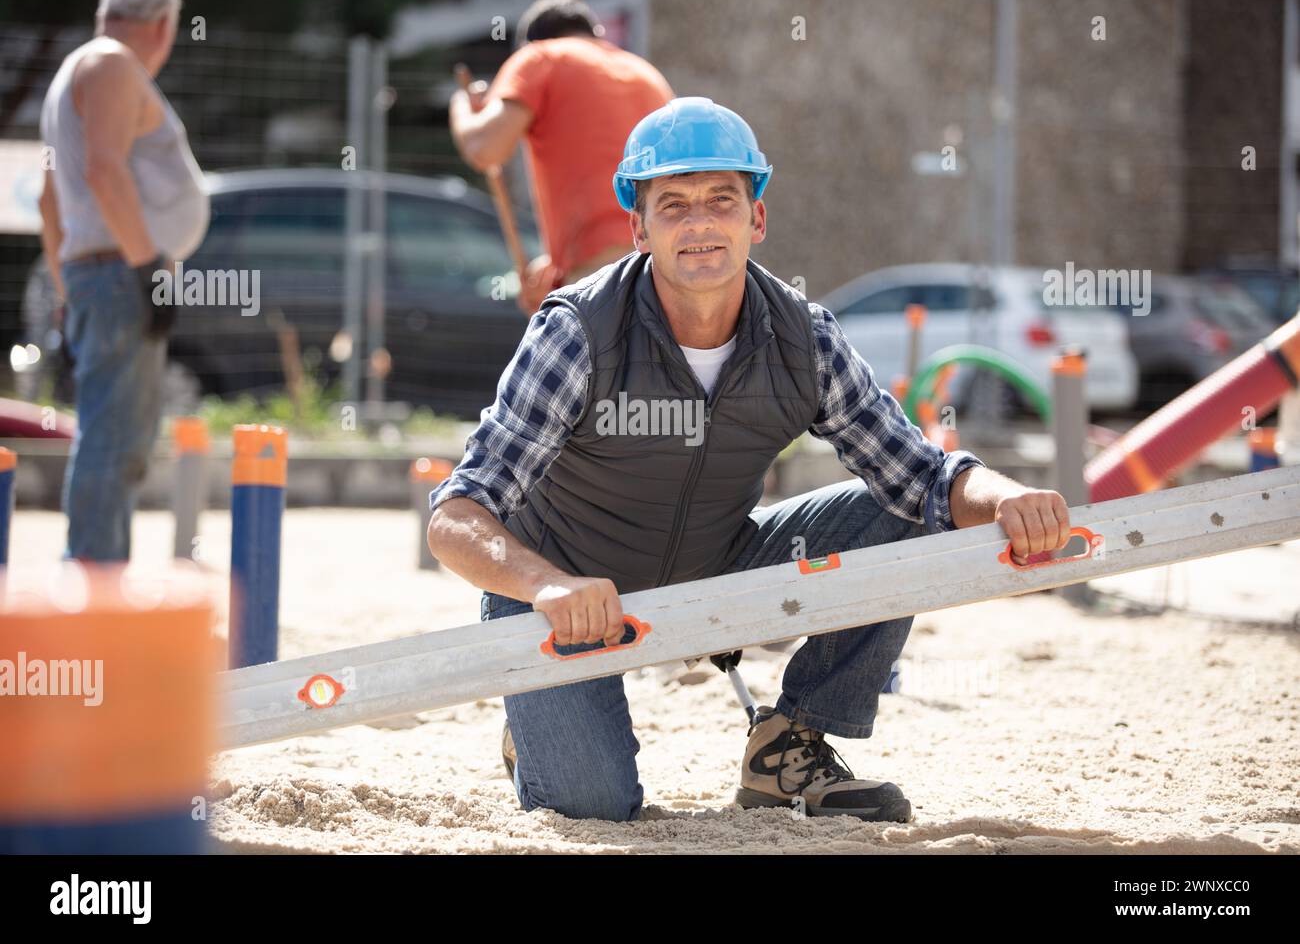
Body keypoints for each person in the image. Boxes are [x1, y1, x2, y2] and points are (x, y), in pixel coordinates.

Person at [428, 97, 1072, 823]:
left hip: (719, 565)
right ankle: (535, 728)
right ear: (638, 227)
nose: (699, 222)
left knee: (906, 517)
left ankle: (788, 745)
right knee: (591, 804)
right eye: (672, 204)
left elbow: (922, 478)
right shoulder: (577, 331)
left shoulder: (804, 340)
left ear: (755, 219)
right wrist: (545, 587)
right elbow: (458, 512)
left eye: (720, 200)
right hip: (563, 593)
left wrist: (1007, 496)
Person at [38, 0, 209, 561]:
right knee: (116, 443)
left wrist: (68, 292)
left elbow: (50, 201)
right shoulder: (112, 62)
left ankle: (95, 582)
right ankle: (93, 591)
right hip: (118, 271)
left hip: (99, 273)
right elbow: (104, 169)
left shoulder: (77, 69)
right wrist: (146, 270)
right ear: (162, 25)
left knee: (114, 440)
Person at [449, 0, 673, 315]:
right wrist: (555, 268)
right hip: (669, 266)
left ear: (532, 41)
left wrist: (462, 108)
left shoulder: (540, 57)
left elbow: (484, 149)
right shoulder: (647, 75)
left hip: (602, 273)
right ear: (595, 34)